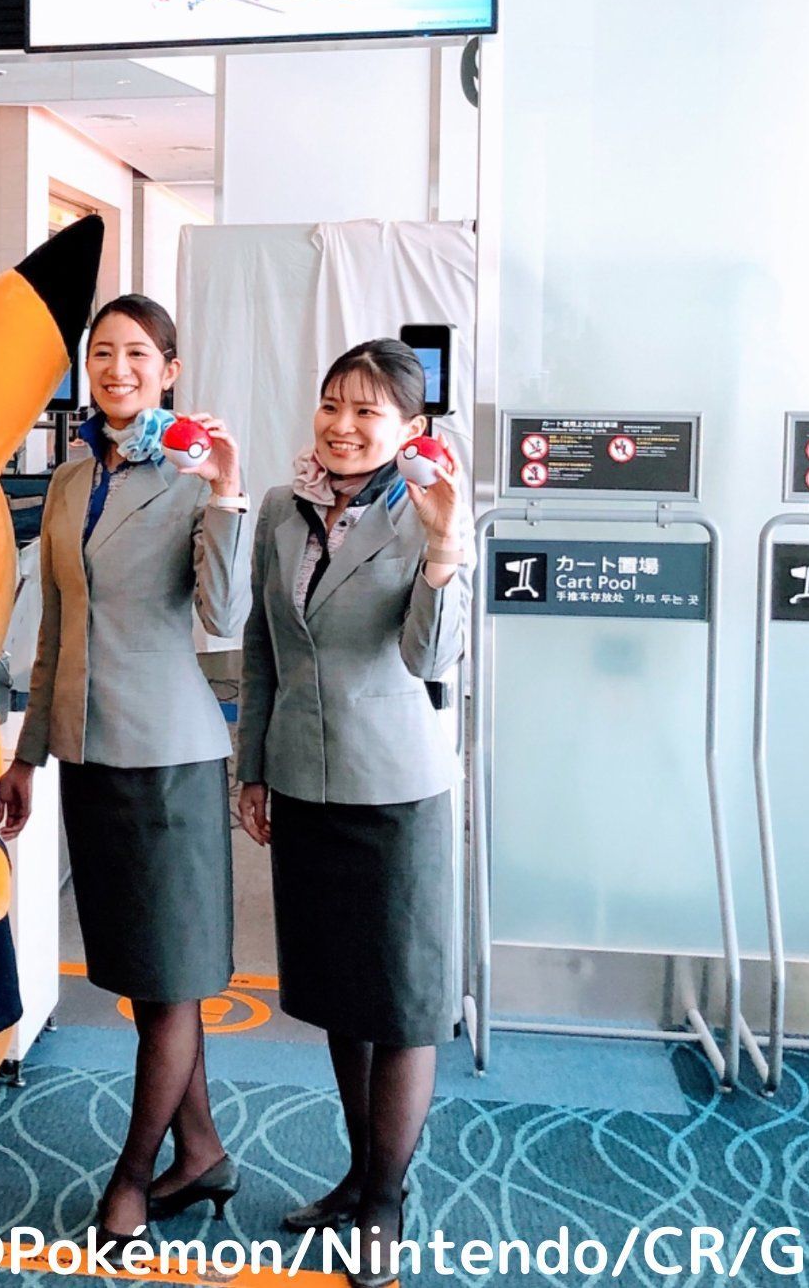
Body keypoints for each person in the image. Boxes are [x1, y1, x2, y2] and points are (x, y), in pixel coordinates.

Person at [0, 295, 249, 1240]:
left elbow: (222, 615)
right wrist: (28, 756)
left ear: (170, 368)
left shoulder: (192, 476)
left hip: (171, 760)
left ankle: (131, 1179)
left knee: (171, 978)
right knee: (146, 978)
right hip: (90, 754)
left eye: (138, 353)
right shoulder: (65, 479)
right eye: (103, 352)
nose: (118, 368)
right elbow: (56, 624)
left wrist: (227, 493)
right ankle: (203, 1153)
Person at [235, 339, 471, 1288]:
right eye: (333, 404)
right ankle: (358, 1171)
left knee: (403, 1002)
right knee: (340, 995)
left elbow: (432, 660)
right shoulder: (281, 513)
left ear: (409, 429)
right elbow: (262, 646)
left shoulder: (430, 516)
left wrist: (447, 549)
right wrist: (251, 767)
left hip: (396, 788)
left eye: (367, 411)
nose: (342, 424)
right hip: (302, 778)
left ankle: (384, 1200)